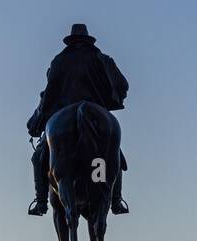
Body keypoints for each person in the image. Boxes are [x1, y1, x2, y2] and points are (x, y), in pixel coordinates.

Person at [27, 24, 130, 216]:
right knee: (112, 154)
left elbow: (48, 96)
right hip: (97, 117)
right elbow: (123, 85)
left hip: (63, 114)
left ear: (70, 41)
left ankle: (40, 202)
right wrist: (111, 99)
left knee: (38, 157)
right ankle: (116, 201)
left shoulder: (59, 61)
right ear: (88, 40)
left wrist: (38, 120)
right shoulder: (103, 59)